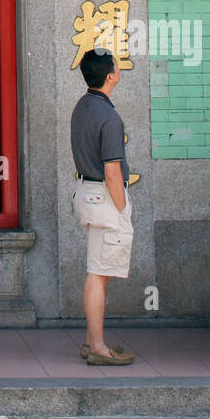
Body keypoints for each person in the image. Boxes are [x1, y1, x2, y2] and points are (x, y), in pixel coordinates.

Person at [70, 48, 135, 365]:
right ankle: (97, 346)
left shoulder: (83, 107)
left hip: (86, 192)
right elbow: (112, 172)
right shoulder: (109, 116)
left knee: (99, 269)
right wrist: (122, 209)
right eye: (117, 66)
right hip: (105, 197)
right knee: (98, 273)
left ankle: (90, 341)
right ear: (111, 76)